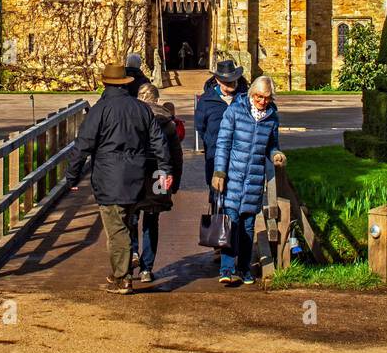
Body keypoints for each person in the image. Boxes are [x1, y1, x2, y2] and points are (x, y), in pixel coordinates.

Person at [64, 62, 172, 295]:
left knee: (117, 229)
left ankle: (122, 278)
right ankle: (120, 273)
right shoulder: (141, 109)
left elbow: (83, 145)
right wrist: (165, 169)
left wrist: (72, 177)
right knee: (125, 223)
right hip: (137, 177)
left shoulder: (100, 110)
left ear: (105, 83)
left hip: (108, 178)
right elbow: (159, 142)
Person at [211, 75, 286, 286]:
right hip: (234, 176)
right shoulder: (235, 111)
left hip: (253, 179)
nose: (263, 101)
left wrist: (276, 155)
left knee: (247, 226)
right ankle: (226, 268)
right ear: (252, 94)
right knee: (230, 223)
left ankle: (244, 268)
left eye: (267, 98)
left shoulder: (272, 117)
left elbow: (272, 145)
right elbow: (223, 144)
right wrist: (219, 173)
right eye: (259, 97)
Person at [194, 59, 249, 265]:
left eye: (234, 81)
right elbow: (201, 126)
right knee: (217, 198)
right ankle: (219, 242)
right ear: (217, 81)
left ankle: (236, 241)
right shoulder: (207, 101)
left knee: (236, 199)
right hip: (215, 158)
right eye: (227, 82)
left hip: (239, 157)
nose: (231, 86)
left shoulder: (243, 99)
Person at [130, 82, 184, 285]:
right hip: (159, 174)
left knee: (132, 215)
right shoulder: (167, 123)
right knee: (152, 220)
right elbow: (176, 156)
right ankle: (146, 268)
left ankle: (133, 251)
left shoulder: (132, 119)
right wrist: (175, 181)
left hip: (136, 173)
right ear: (157, 100)